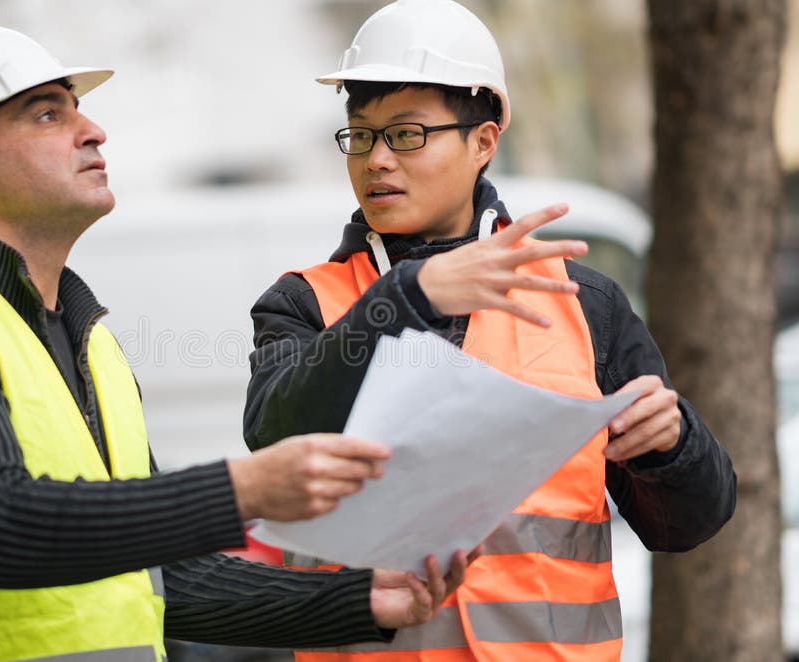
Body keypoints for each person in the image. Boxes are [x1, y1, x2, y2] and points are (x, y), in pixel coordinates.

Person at [0, 22, 471, 662]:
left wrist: (357, 601)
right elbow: (1, 526)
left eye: (77, 110)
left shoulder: (88, 340)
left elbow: (162, 579)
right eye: (47, 115)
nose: (93, 130)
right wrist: (243, 489)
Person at [243, 1, 737, 660]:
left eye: (407, 134)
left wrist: (671, 446)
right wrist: (402, 300)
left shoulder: (584, 302)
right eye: (360, 135)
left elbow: (689, 522)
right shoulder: (304, 302)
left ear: (484, 140)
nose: (377, 159)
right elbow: (275, 435)